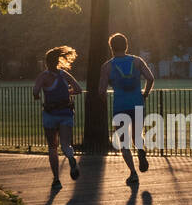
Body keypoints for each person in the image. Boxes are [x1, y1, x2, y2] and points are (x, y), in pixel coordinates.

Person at [97, 32, 155, 186]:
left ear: (111, 47)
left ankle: (133, 173)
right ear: (126, 45)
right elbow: (150, 78)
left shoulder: (107, 66)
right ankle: (141, 151)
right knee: (137, 135)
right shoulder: (137, 61)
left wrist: (104, 100)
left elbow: (101, 91)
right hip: (137, 103)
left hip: (120, 107)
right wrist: (145, 94)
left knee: (124, 143)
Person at [33, 45, 83, 190]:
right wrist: (68, 92)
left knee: (52, 147)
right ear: (57, 61)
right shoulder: (64, 75)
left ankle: (56, 179)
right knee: (66, 144)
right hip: (66, 113)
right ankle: (71, 158)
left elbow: (35, 90)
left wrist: (37, 96)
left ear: (46, 62)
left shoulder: (43, 76)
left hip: (50, 115)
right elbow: (79, 89)